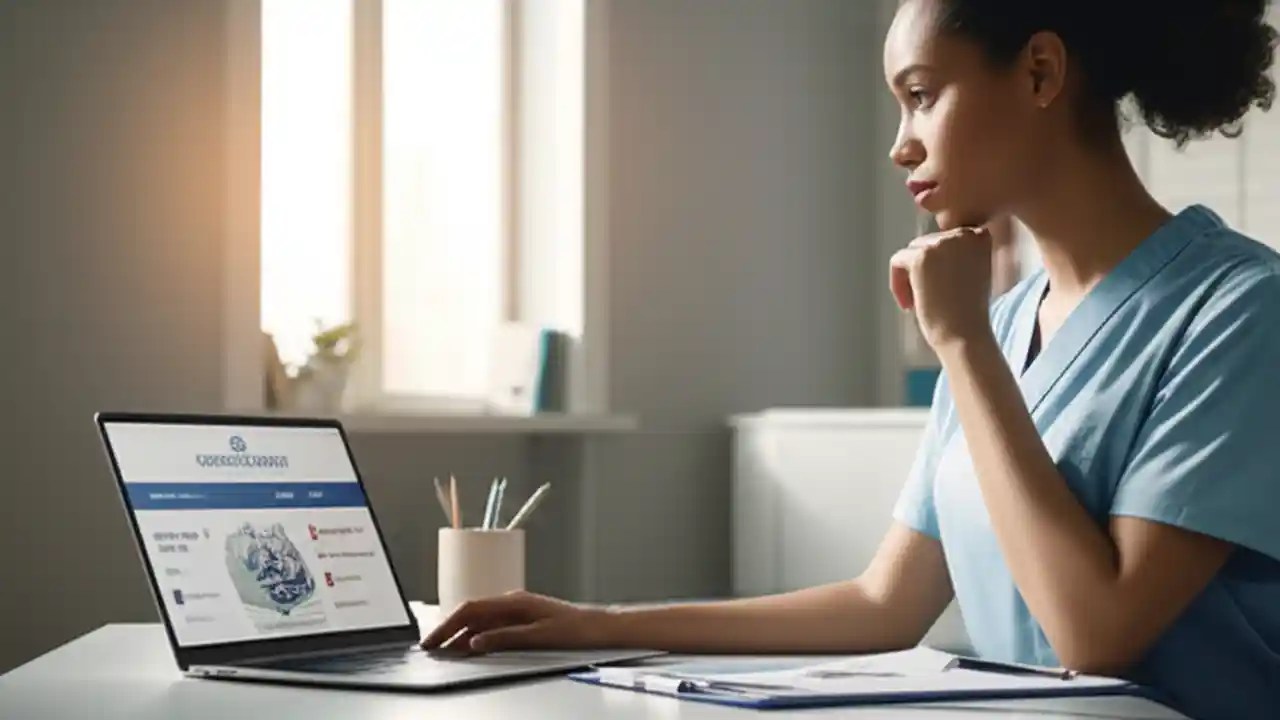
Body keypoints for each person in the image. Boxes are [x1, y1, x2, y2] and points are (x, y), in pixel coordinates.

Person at [423, 2, 1280, 717]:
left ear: (1040, 73)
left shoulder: (1239, 309)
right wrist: (598, 624)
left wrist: (961, 344)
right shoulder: (1000, 323)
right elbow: (885, 603)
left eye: (922, 96)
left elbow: (1097, 636)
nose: (901, 144)